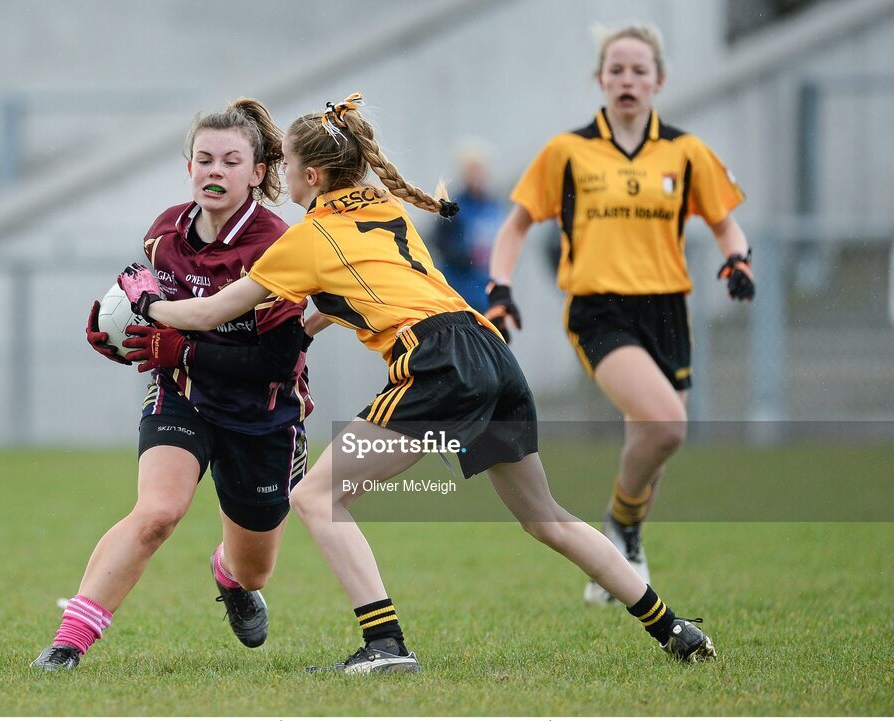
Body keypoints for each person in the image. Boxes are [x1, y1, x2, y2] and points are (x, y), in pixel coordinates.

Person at [114, 92, 717, 672]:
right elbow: (349, 298)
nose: (284, 182)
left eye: (290, 169)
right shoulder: (383, 209)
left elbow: (205, 313)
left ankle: (386, 644)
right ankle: (671, 626)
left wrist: (146, 303)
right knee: (543, 516)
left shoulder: (306, 239)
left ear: (314, 178)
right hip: (490, 354)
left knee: (316, 497)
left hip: (436, 364)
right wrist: (302, 328)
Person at [32, 99, 314, 670]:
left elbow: (278, 363)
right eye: (204, 159)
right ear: (188, 166)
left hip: (262, 412)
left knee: (255, 566)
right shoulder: (164, 232)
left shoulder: (277, 246)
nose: (215, 171)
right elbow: (147, 306)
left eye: (231, 161)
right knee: (157, 512)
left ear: (258, 173)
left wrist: (182, 346)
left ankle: (230, 579)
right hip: (181, 394)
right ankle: (67, 645)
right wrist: (116, 329)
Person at [485, 24, 754, 606]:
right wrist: (500, 289)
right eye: (616, 70)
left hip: (668, 311)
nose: (627, 80)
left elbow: (724, 219)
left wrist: (737, 259)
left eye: (639, 71)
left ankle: (622, 539)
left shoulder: (685, 151)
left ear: (658, 80)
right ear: (600, 80)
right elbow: (515, 227)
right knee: (665, 425)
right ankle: (623, 528)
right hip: (599, 309)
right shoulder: (568, 152)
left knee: (653, 439)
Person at [429, 143, 504, 312]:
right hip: (459, 291)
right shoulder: (453, 206)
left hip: (487, 291)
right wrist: (467, 256)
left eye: (479, 169)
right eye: (472, 170)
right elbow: (440, 243)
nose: (476, 175)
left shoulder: (493, 206)